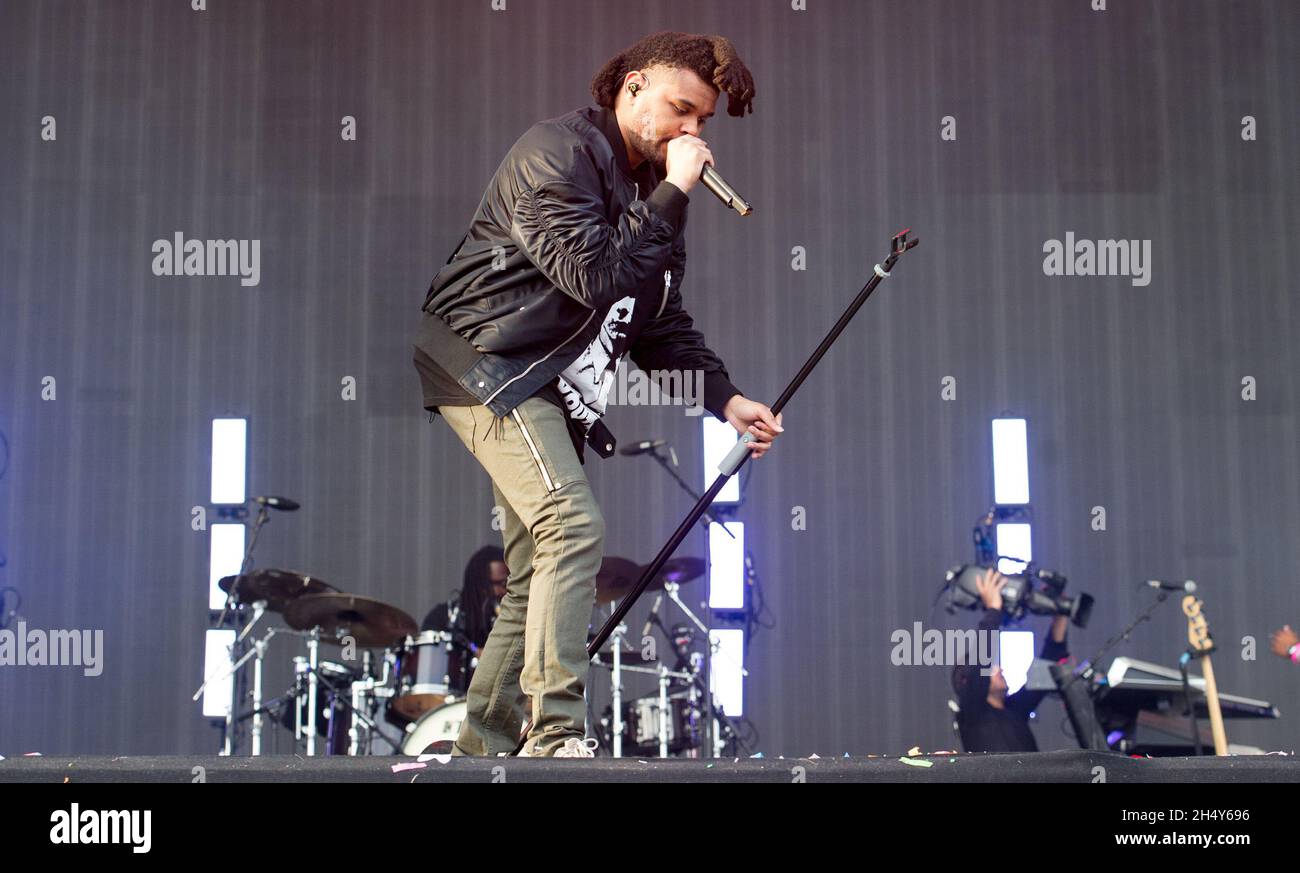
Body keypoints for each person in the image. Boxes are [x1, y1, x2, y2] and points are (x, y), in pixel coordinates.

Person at [411, 32, 783, 757]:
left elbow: (656, 315)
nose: (692, 132)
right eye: (681, 109)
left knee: (535, 568)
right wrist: (674, 191)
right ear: (633, 86)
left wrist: (726, 397)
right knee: (571, 525)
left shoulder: (652, 196)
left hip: (540, 382)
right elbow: (594, 277)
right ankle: (553, 736)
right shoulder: (558, 153)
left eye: (703, 121)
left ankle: (480, 747)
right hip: (487, 360)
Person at [952, 568, 1070, 753]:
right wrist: (993, 609)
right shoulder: (971, 714)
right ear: (966, 682)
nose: (998, 668)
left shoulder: (1015, 709)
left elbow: (1046, 667)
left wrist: (1061, 613)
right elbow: (979, 662)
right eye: (990, 668)